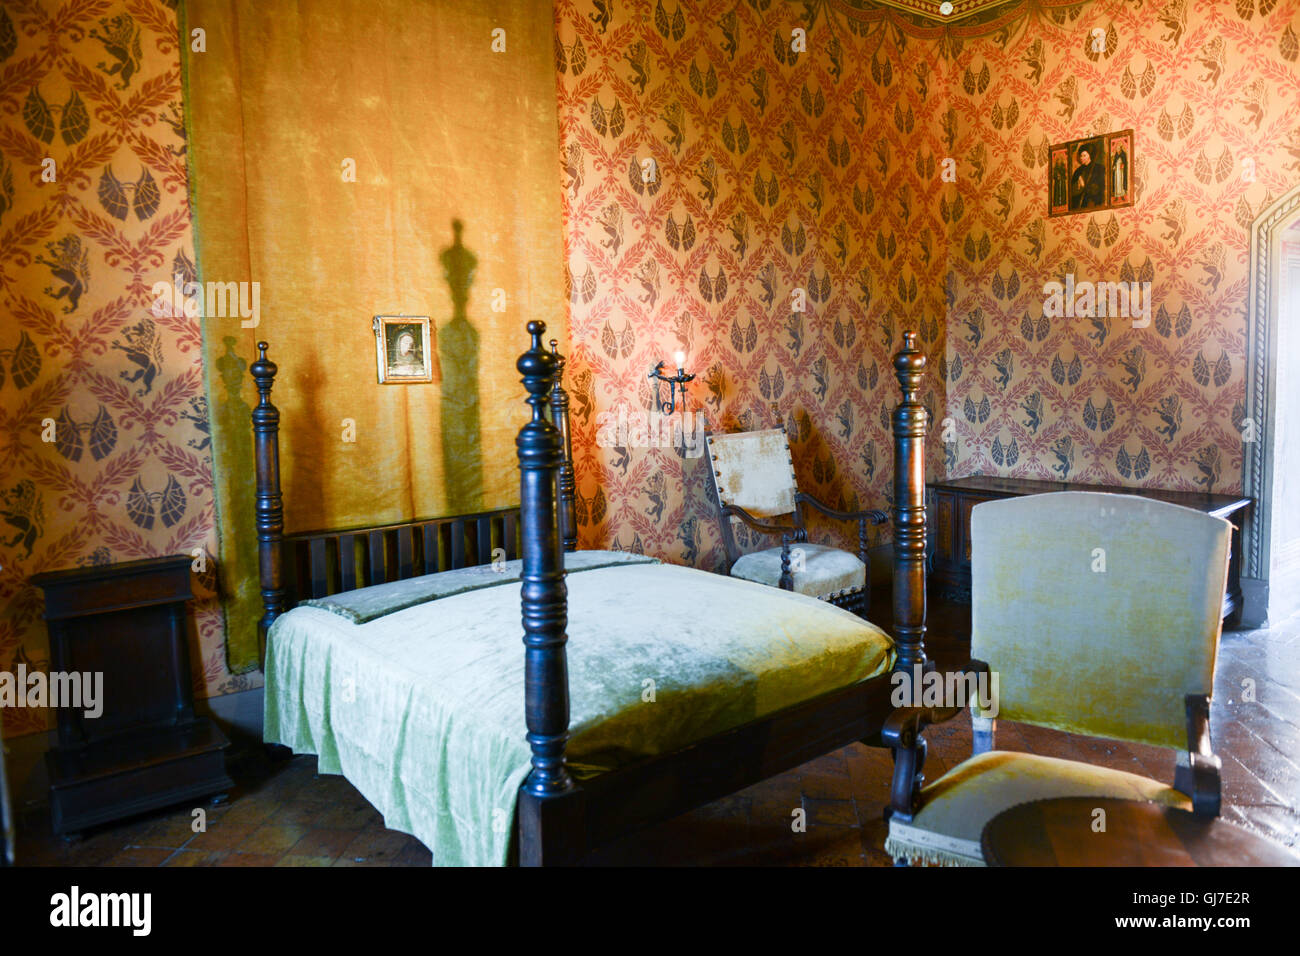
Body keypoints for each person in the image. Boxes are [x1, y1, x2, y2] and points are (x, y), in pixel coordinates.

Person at [1069, 144, 1106, 210]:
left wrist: (1084, 185)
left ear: (1090, 155)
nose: (1081, 158)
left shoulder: (1098, 168)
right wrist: (1078, 185)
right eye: (1081, 156)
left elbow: (1100, 187)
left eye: (1084, 155)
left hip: (1094, 203)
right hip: (1080, 205)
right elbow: (1072, 191)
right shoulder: (1078, 171)